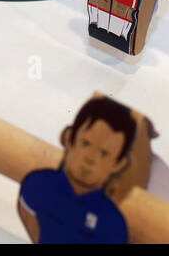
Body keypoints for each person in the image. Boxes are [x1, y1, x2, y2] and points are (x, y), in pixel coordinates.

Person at [17, 96, 134, 243]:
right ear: (68, 138)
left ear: (118, 164)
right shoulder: (38, 185)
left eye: (104, 154)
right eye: (86, 143)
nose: (90, 158)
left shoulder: (113, 223)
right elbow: (30, 218)